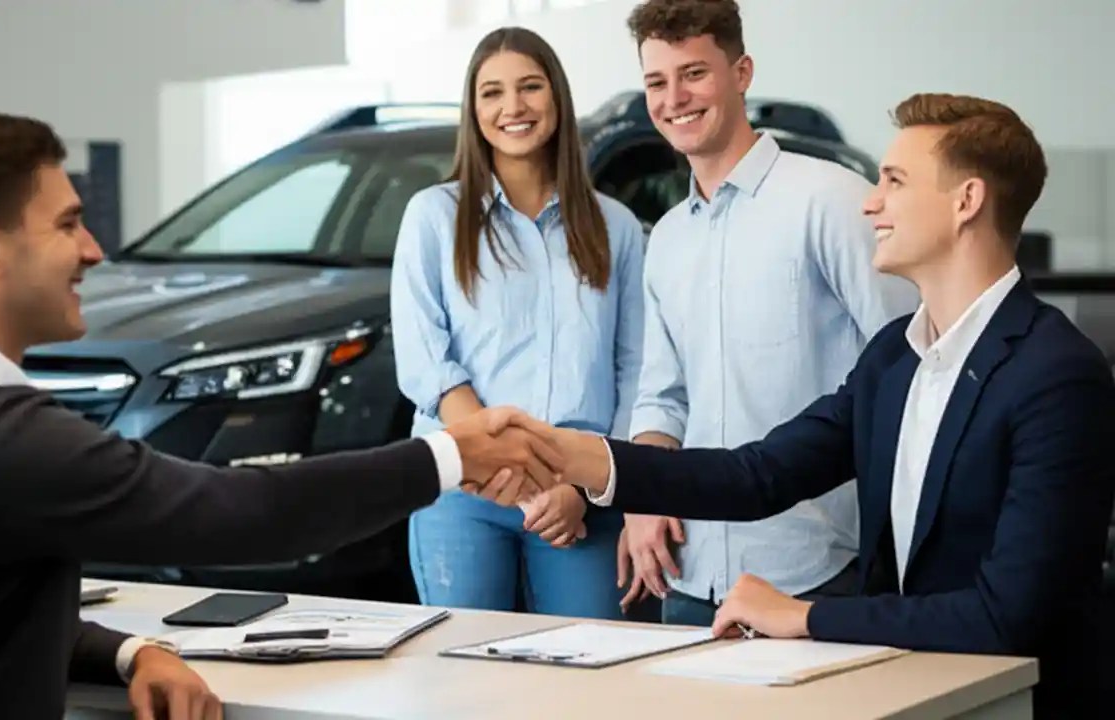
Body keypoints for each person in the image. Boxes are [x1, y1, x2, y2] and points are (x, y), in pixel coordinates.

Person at [0, 112, 564, 720]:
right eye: (66, 225)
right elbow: (246, 514)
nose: (92, 250)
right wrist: (451, 455)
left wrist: (129, 650)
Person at [505, 93, 1113, 718]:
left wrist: (804, 615)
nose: (871, 202)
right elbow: (757, 476)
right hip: (913, 694)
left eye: (895, 181)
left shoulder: (1057, 376)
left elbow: (1004, 614)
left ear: (967, 201)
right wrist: (571, 454)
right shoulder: (893, 360)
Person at [615, 0, 916, 622]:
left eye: (694, 73)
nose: (675, 98)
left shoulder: (831, 202)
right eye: (656, 81)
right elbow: (662, 397)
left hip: (815, 570)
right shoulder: (667, 237)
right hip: (690, 575)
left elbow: (906, 367)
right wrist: (644, 496)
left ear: (742, 72)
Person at [390, 26, 646, 619]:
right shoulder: (433, 217)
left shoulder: (618, 228)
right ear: (473, 109)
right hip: (463, 489)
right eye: (492, 92)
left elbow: (635, 372)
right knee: (464, 680)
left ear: (556, 97)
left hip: (576, 496)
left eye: (530, 87)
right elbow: (425, 358)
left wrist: (584, 488)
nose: (513, 107)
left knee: (589, 685)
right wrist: (500, 464)